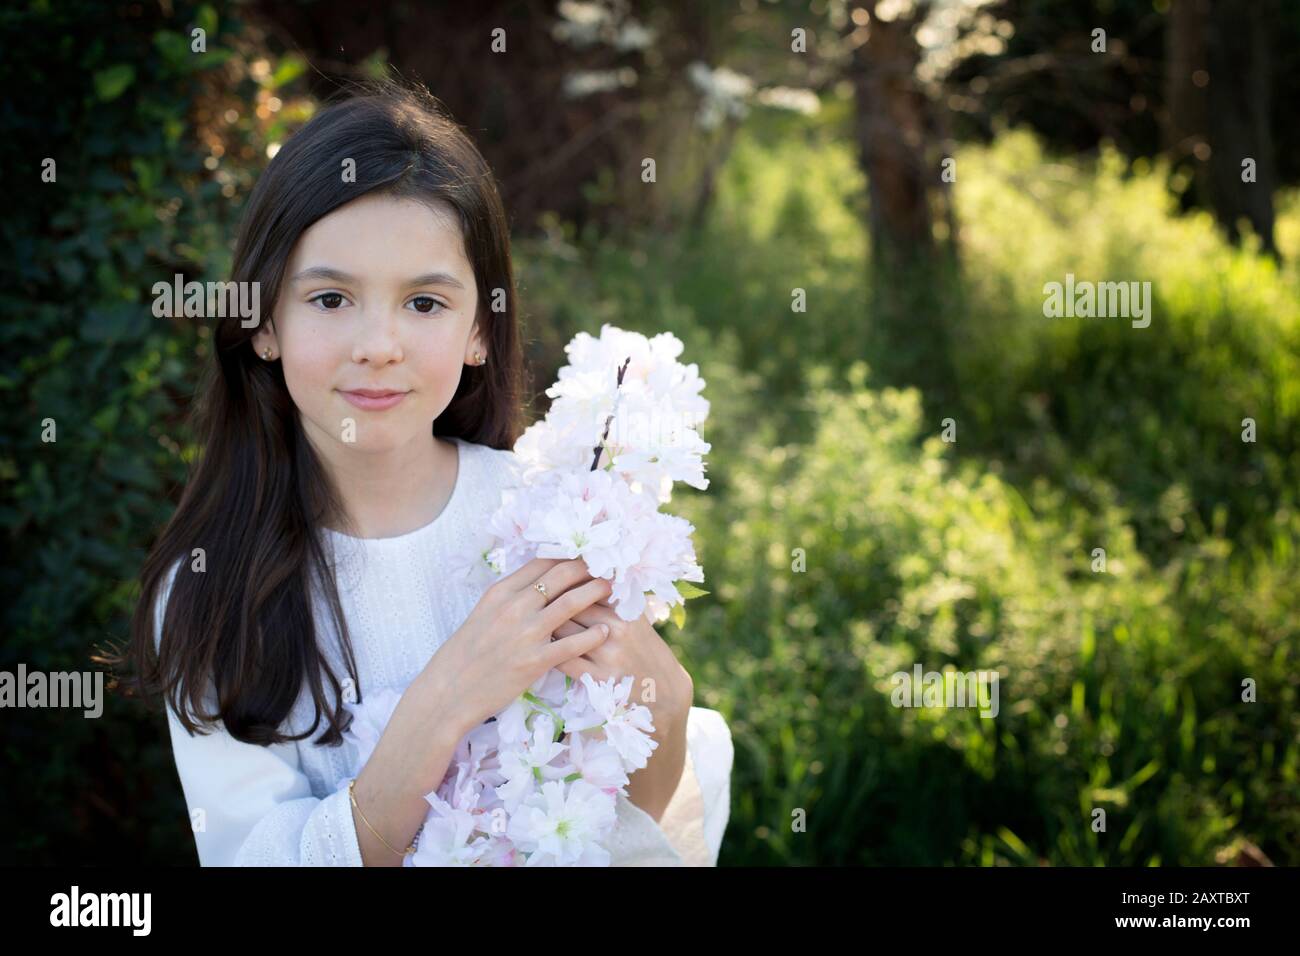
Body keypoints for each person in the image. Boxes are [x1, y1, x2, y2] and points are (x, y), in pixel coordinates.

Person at [117, 80, 732, 866]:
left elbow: (621, 830)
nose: (379, 344)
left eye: (425, 304)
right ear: (264, 323)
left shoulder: (553, 520)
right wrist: (445, 700)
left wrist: (668, 722)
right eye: (332, 298)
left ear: (480, 329)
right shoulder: (207, 592)